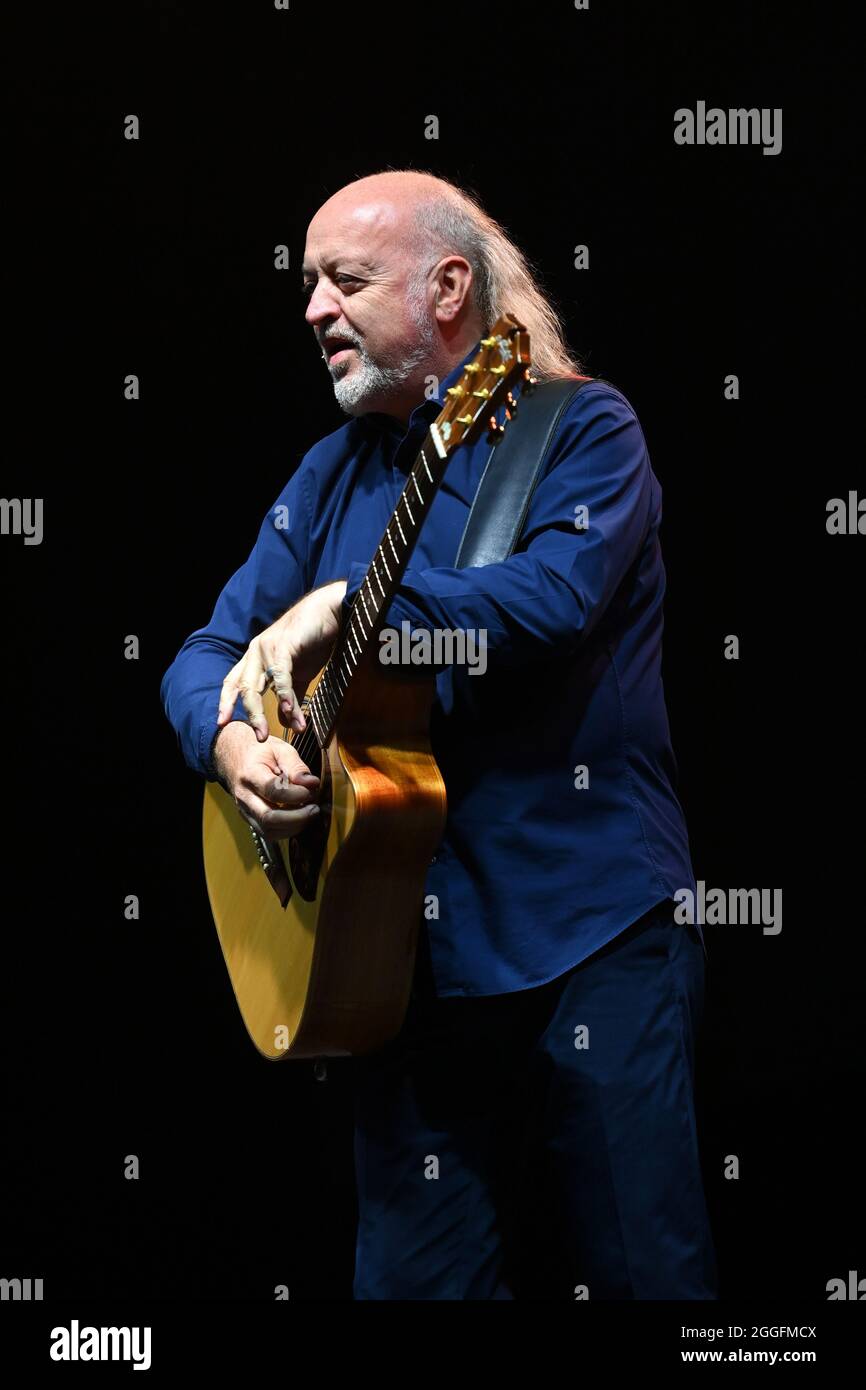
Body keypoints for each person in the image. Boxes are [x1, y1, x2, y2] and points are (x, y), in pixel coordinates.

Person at [160, 168, 718, 1300]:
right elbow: (200, 659)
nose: (312, 306)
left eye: (345, 279)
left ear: (449, 287)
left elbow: (548, 602)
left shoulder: (581, 430)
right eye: (308, 281)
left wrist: (349, 604)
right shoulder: (328, 474)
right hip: (396, 964)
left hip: (587, 936)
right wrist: (229, 748)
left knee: (641, 1274)